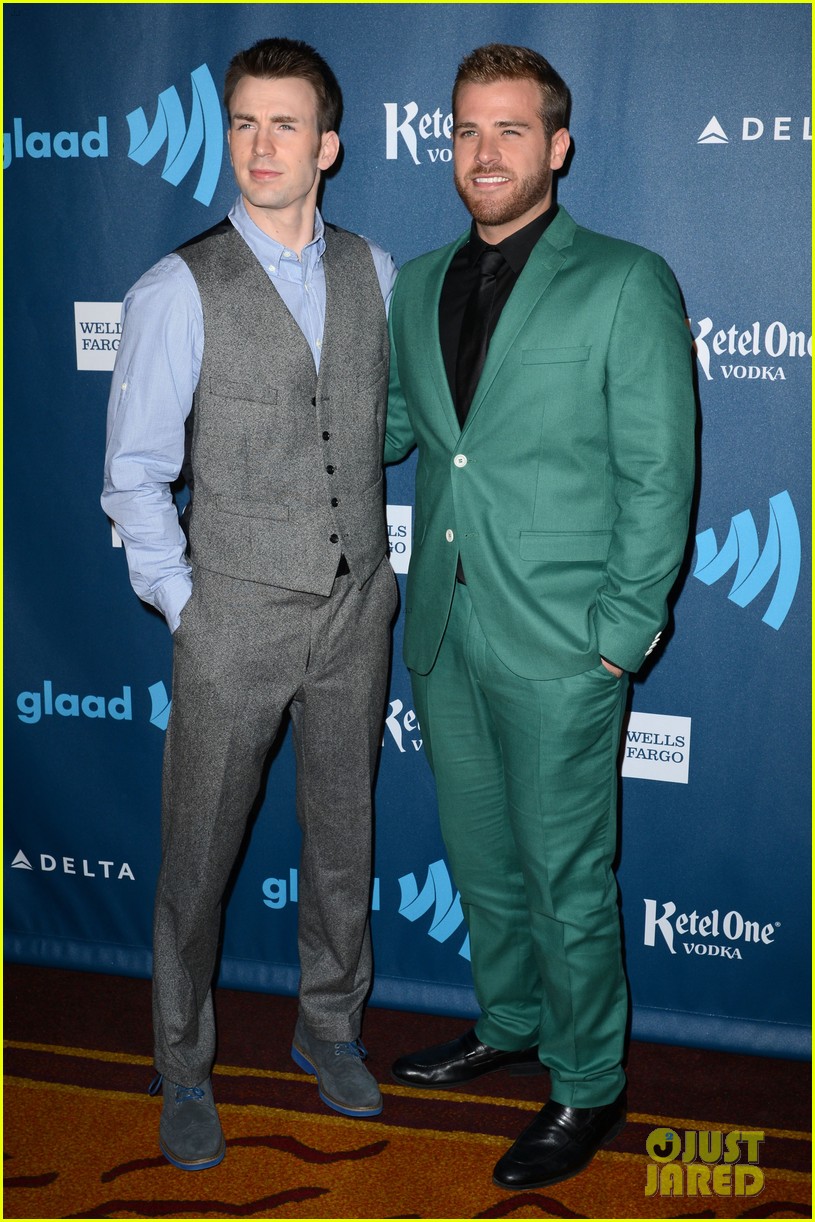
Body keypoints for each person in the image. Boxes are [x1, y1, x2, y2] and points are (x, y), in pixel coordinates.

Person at [385, 43, 695, 1190]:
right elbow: (394, 434)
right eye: (466, 129)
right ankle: (507, 1023)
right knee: (480, 861)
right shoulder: (413, 282)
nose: (484, 152)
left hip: (565, 640)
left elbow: (659, 476)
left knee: (566, 874)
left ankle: (584, 1081)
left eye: (510, 130)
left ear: (556, 147)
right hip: (447, 633)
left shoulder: (623, 279)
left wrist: (619, 633)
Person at [102, 37, 398, 1171]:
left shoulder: (373, 272)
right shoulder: (179, 285)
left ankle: (328, 1029)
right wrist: (189, 605)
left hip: (354, 608)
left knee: (342, 841)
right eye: (242, 124)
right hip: (232, 618)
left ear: (326, 145)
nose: (260, 147)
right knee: (198, 860)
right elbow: (134, 473)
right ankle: (182, 1064)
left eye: (284, 125)